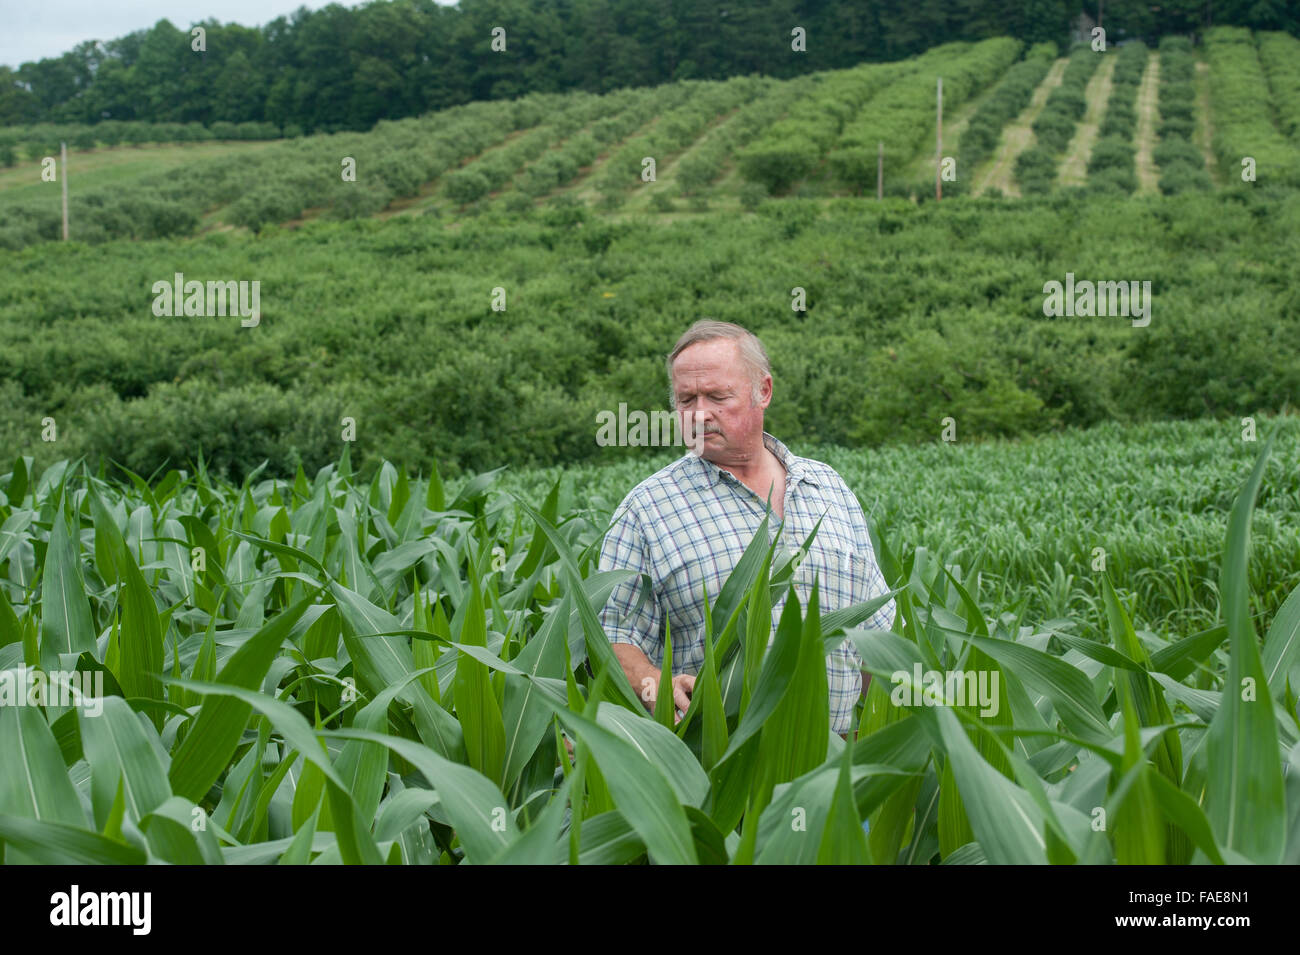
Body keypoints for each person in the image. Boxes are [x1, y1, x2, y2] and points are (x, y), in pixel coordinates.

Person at [597, 319, 895, 737]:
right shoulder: (646, 510)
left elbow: (876, 631)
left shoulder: (828, 487)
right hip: (719, 768)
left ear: (764, 391)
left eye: (718, 396)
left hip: (836, 765)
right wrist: (655, 686)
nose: (700, 413)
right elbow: (612, 633)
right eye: (686, 399)